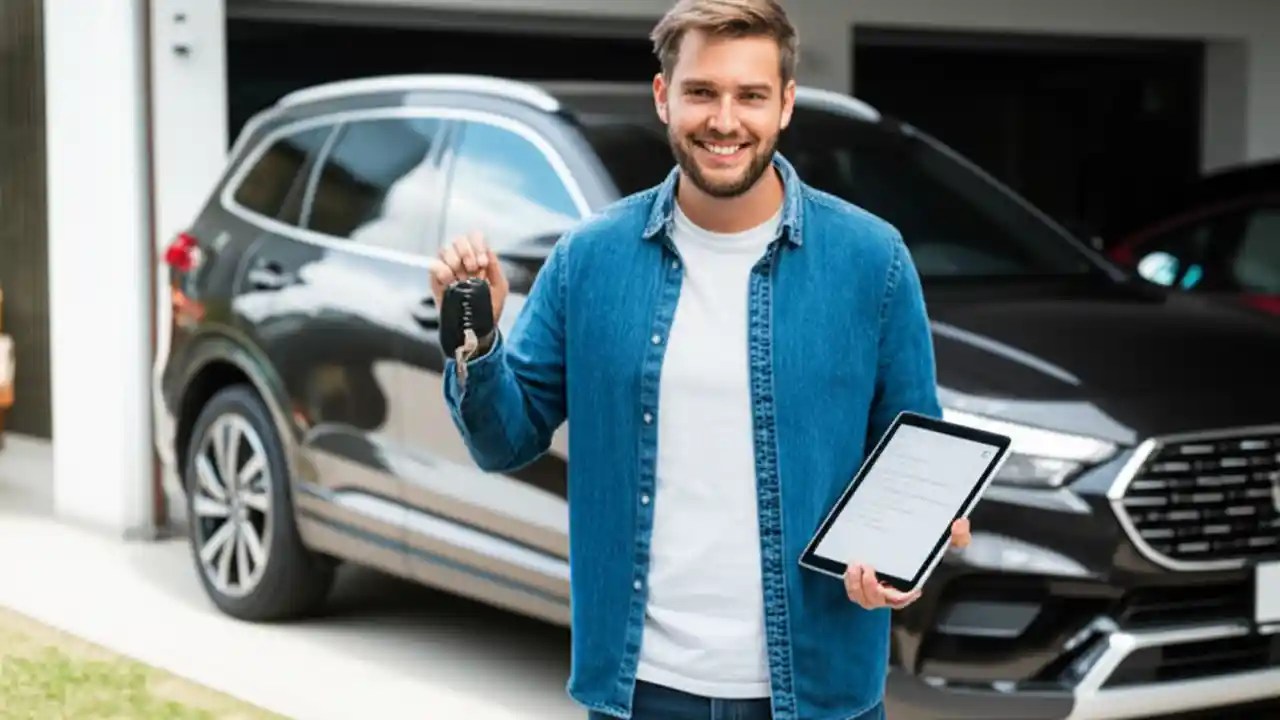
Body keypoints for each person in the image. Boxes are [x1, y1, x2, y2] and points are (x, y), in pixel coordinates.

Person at [428, 1, 969, 717]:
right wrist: (480, 342)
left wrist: (914, 548)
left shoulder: (873, 261)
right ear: (664, 98)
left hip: (817, 694)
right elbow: (503, 442)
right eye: (702, 92)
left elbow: (916, 458)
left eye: (750, 95)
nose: (724, 120)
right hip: (643, 691)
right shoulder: (589, 260)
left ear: (785, 105)